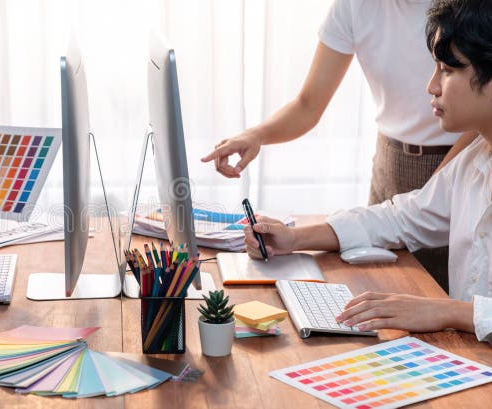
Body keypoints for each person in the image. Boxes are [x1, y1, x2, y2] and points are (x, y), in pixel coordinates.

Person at [243, 0, 492, 372]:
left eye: (447, 70)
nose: (431, 86)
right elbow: (401, 218)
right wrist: (296, 239)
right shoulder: (475, 162)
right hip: (472, 365)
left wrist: (449, 312)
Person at [201, 0, 478, 291]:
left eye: (444, 70)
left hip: (456, 157)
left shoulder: (467, 12)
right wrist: (257, 134)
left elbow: (488, 117)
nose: (432, 86)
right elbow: (308, 104)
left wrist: (439, 187)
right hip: (389, 161)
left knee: (442, 296)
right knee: (386, 284)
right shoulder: (355, 6)